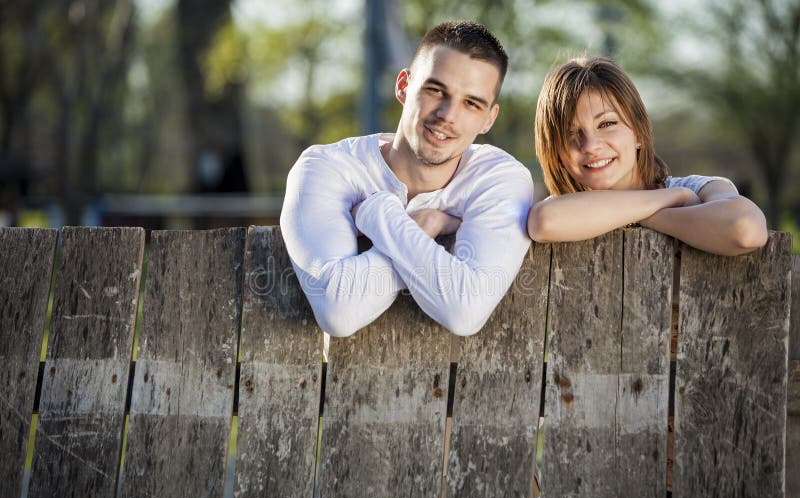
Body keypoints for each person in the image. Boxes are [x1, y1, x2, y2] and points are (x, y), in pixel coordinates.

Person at [280, 21, 533, 337]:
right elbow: (338, 311)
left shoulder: (498, 179)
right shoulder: (327, 167)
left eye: (471, 103)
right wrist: (423, 228)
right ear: (403, 86)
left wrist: (377, 214)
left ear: (488, 119)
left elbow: (464, 313)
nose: (448, 115)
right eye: (435, 90)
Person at [527, 56, 768, 256]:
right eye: (571, 134)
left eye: (607, 123)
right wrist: (673, 199)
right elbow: (543, 221)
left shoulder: (699, 189)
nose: (590, 145)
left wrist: (649, 214)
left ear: (638, 133)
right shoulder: (679, 196)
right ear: (555, 151)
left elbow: (746, 229)